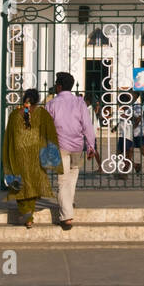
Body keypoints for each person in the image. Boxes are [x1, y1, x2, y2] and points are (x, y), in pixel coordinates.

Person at [3, 88, 62, 228]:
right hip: (36, 153)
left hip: (18, 153)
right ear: (38, 101)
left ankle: (26, 213)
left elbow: (8, 137)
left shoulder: (13, 115)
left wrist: (8, 155)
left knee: (21, 183)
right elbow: (51, 135)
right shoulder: (43, 114)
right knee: (33, 184)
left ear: (24, 99)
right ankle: (28, 214)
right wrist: (52, 155)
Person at [45, 72, 97, 231]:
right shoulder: (80, 103)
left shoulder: (52, 104)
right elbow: (87, 125)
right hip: (77, 145)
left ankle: (66, 216)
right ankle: (69, 202)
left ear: (59, 86)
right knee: (72, 177)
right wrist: (91, 146)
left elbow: (46, 128)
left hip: (60, 146)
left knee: (62, 181)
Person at [116, 106, 144, 176]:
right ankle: (134, 166)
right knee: (123, 153)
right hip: (128, 133)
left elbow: (138, 119)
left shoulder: (137, 106)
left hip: (137, 133)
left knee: (142, 152)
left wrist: (128, 118)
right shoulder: (128, 106)